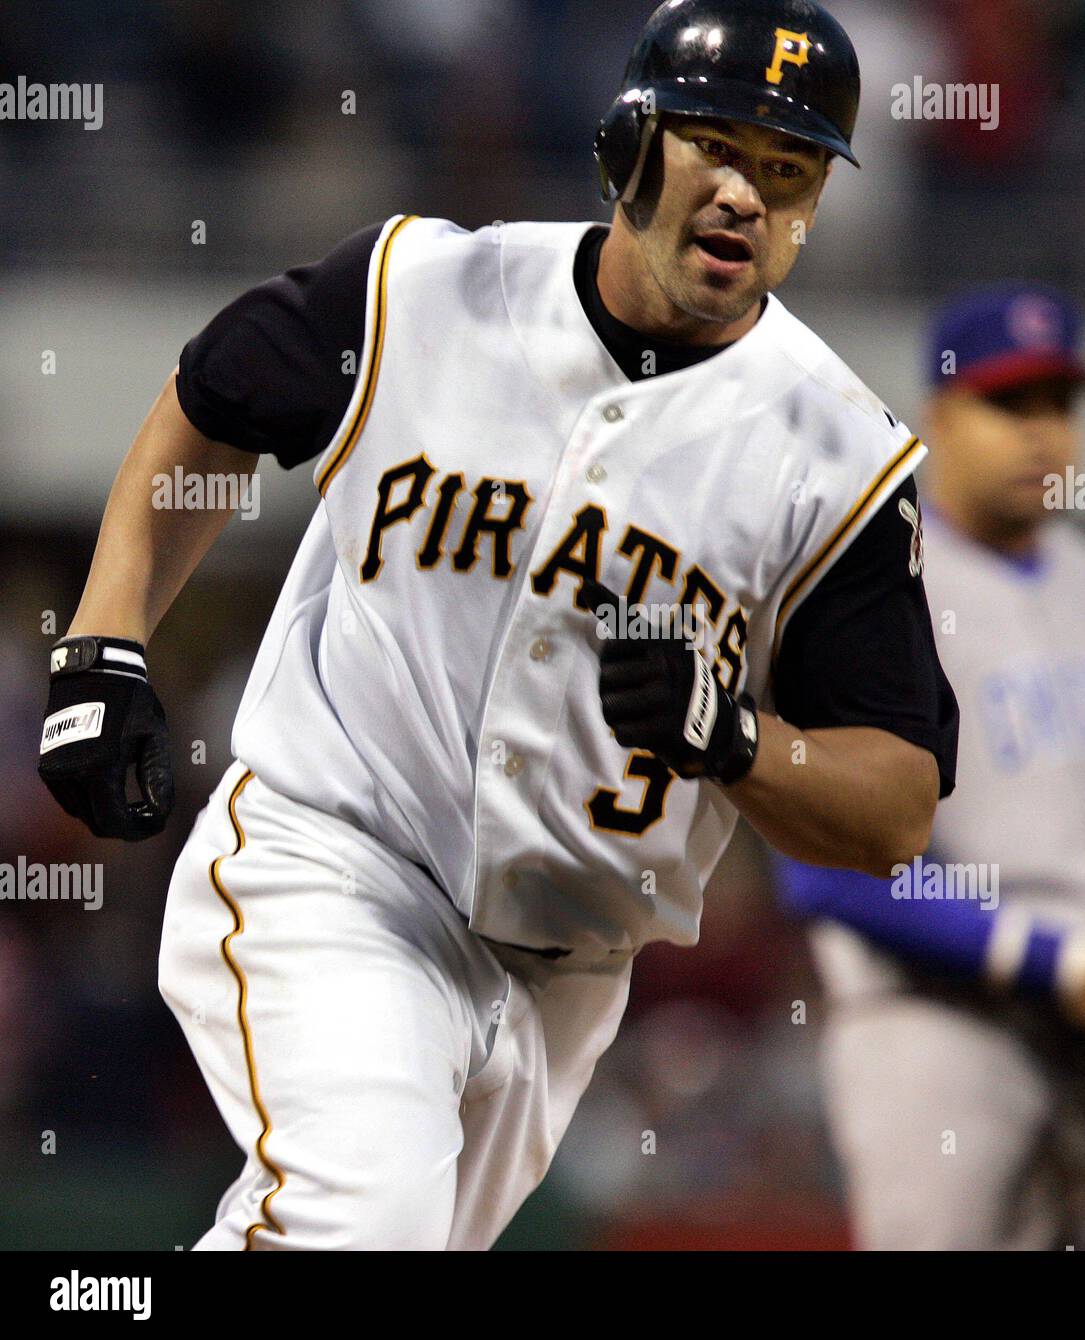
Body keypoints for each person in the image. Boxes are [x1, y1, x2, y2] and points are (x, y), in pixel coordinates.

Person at [36, 0, 957, 1250]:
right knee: (361, 1223)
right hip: (336, 858)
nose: (749, 193)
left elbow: (899, 801)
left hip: (567, 972)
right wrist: (107, 638)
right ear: (627, 148)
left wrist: (738, 741)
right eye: (719, 148)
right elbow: (215, 396)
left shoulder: (840, 456)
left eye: (788, 169)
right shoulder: (426, 284)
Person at [777, 282, 1085, 1250]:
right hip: (941, 1026)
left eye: (1059, 403)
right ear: (938, 416)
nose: (1042, 434)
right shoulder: (870, 586)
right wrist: (1059, 959)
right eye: (1007, 403)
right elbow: (822, 863)